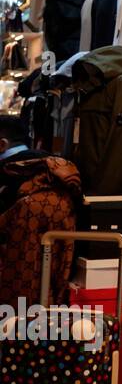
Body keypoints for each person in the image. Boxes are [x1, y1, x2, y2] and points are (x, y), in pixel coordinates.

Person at [0, 116, 83, 307]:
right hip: (59, 272)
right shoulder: (55, 168)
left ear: (2, 144)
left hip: (14, 278)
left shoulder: (5, 173)